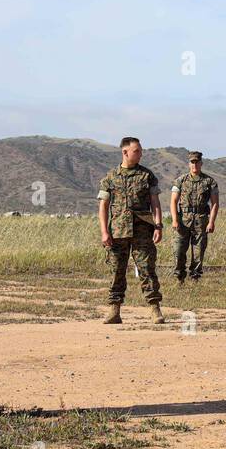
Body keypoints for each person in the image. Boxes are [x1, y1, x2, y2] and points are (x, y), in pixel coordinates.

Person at [98, 137, 165, 324]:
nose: (140, 153)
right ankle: (114, 310)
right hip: (117, 232)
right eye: (137, 151)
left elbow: (155, 203)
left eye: (141, 150)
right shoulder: (111, 177)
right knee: (116, 271)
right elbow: (103, 206)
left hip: (142, 231)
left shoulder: (147, 176)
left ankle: (154, 309)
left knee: (147, 270)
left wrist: (158, 225)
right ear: (125, 152)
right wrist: (104, 231)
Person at [170, 151, 219, 283]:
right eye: (192, 162)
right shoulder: (180, 180)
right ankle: (179, 278)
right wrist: (174, 220)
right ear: (189, 164)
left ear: (201, 163)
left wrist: (211, 222)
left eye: (197, 162)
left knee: (198, 252)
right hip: (183, 220)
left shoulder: (209, 182)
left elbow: (215, 203)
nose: (195, 164)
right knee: (179, 250)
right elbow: (173, 201)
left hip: (201, 219)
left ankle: (195, 278)